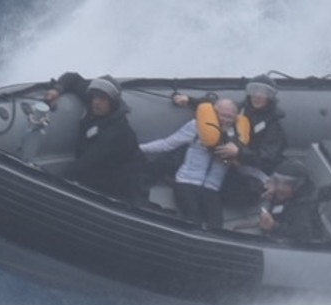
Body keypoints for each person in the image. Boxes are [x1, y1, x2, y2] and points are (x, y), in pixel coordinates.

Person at [138, 98, 242, 229]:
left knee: (216, 225)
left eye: (230, 117)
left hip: (212, 188)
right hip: (187, 182)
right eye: (223, 115)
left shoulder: (237, 138)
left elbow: (247, 161)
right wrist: (138, 148)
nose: (226, 120)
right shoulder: (197, 126)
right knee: (193, 220)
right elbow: (167, 144)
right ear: (215, 113)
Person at [44, 72, 145, 199]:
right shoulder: (95, 101)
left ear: (112, 102)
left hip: (120, 179)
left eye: (102, 99)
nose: (96, 102)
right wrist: (57, 90)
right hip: (99, 167)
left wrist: (48, 181)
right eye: (95, 97)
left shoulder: (116, 132)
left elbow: (84, 163)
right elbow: (73, 78)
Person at [216, 75, 288, 206]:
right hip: (229, 158)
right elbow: (216, 108)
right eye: (254, 90)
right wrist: (189, 100)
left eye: (264, 92)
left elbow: (267, 158)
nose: (258, 96)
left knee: (239, 192)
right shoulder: (240, 109)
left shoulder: (273, 127)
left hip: (253, 167)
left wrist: (239, 153)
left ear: (270, 97)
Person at [258, 159, 331, 242]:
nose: (279, 188)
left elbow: (302, 233)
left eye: (286, 184)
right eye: (277, 182)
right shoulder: (309, 193)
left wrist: (274, 227)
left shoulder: (302, 207)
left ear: (298, 186)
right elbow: (325, 192)